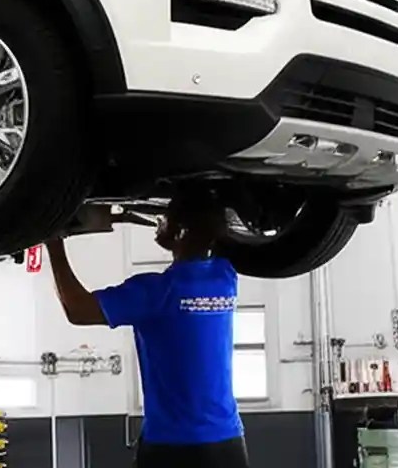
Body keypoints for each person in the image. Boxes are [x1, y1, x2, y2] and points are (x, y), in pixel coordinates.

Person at [46, 188, 249, 468]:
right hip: (227, 443)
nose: (158, 221)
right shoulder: (224, 278)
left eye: (165, 218)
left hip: (172, 446)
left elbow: (76, 309)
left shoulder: (155, 293)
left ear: (181, 232)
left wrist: (53, 245)